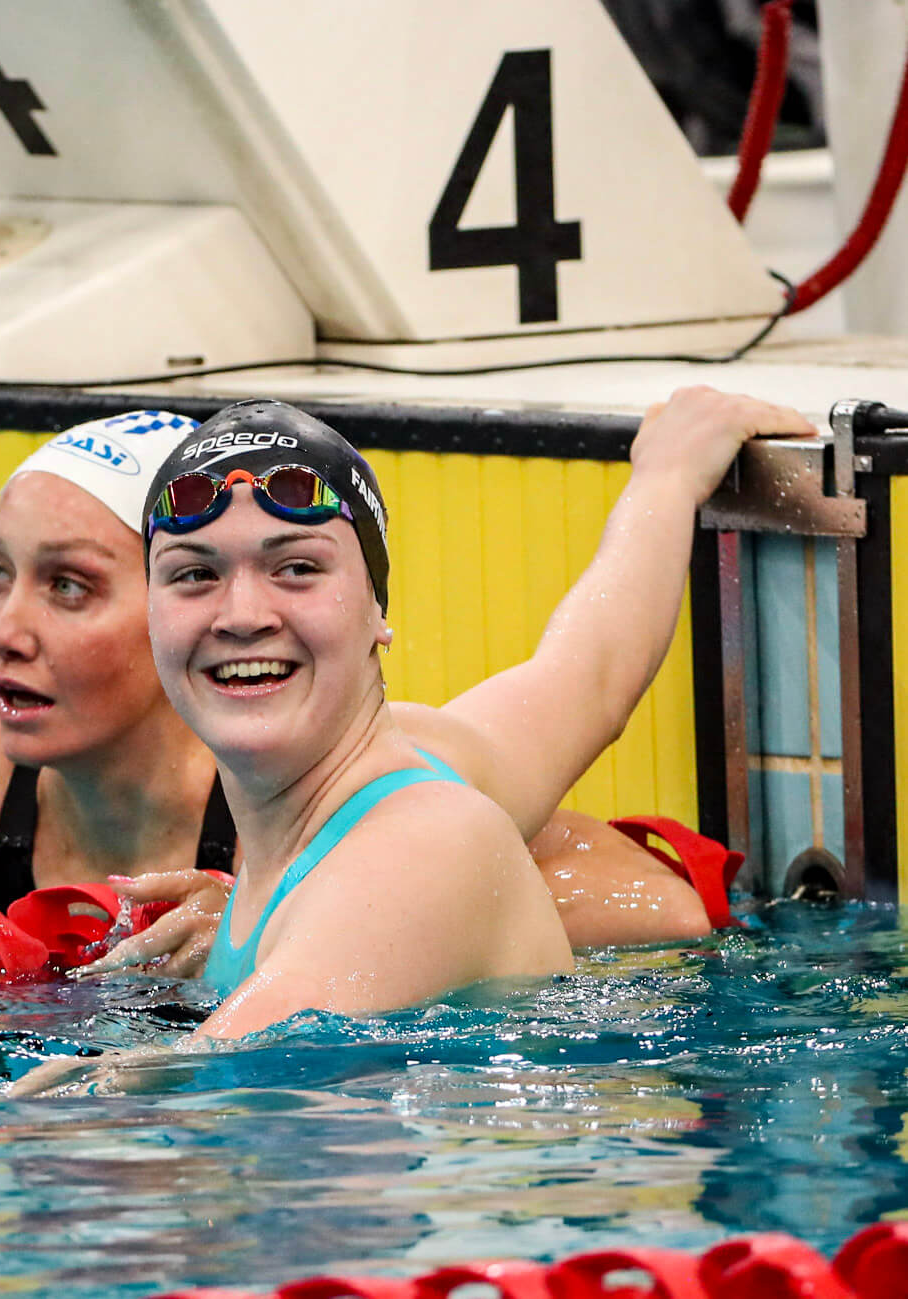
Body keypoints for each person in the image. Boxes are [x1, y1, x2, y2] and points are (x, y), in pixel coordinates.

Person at [0, 398, 733, 962]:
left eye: (67, 587)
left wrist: (293, 923)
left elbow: (598, 731)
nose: (5, 630)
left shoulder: (354, 799)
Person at [128, 388, 814, 1041]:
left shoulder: (417, 851)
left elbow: (174, 1094)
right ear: (151, 614)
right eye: (194, 574)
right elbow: (588, 675)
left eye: (297, 569)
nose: (242, 615)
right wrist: (667, 479)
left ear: (377, 610)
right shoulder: (419, 756)